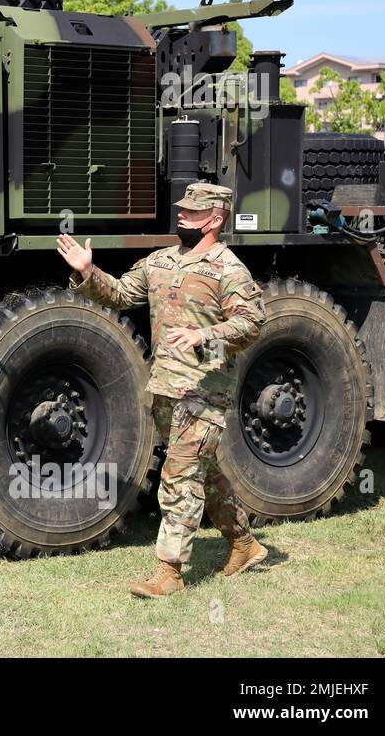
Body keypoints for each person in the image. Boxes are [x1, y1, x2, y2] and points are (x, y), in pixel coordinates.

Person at [56, 182, 269, 598]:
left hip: (206, 391)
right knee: (199, 472)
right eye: (182, 209)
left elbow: (252, 322)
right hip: (166, 389)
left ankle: (169, 571)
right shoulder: (161, 261)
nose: (182, 215)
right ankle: (244, 544)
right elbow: (120, 294)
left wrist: (205, 335)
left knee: (178, 475)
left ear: (216, 219)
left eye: (193, 211)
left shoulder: (229, 269)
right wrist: (87, 271)